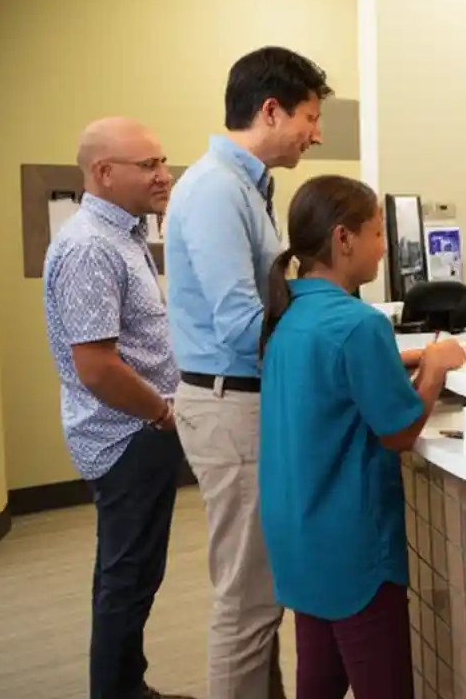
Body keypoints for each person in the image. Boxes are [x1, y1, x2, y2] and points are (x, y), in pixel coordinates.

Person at [257, 175, 466, 698]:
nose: (384, 248)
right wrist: (435, 366)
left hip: (298, 535)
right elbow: (398, 432)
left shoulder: (288, 315)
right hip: (352, 547)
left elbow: (335, 388)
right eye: (378, 233)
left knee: (319, 679)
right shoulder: (358, 325)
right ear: (344, 239)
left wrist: (408, 361)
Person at [164, 45, 331, 698]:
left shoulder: (247, 189)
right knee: (247, 604)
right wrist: (336, 347)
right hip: (230, 406)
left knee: (262, 598)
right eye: (310, 118)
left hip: (243, 402)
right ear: (270, 110)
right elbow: (242, 325)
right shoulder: (215, 191)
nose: (316, 134)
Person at [41, 117, 191, 699]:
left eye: (163, 161)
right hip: (127, 436)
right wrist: (161, 413)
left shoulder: (123, 235)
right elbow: (97, 367)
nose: (164, 174)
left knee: (132, 575)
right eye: (149, 164)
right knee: (127, 579)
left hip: (137, 430)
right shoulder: (90, 247)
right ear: (103, 172)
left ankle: (130, 687)